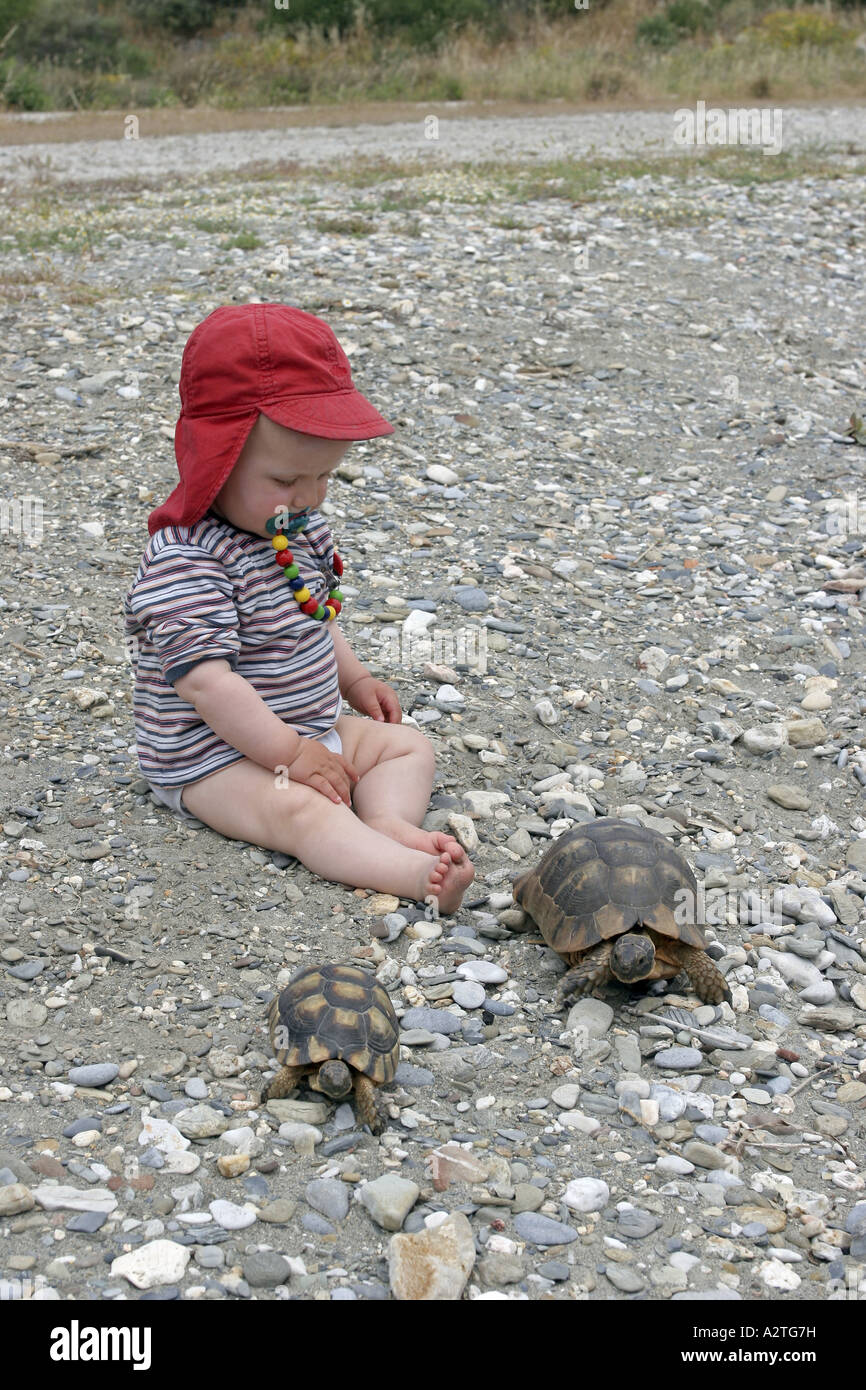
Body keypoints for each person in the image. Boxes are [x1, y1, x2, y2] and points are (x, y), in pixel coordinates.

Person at [124, 302, 474, 913]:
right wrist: (290, 756)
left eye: (324, 477)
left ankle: (386, 821)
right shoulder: (187, 560)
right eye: (287, 480)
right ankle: (413, 875)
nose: (309, 497)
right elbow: (209, 688)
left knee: (408, 745)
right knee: (299, 806)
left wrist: (356, 678)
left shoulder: (295, 530)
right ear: (216, 459)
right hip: (213, 757)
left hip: (307, 729)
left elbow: (315, 620)